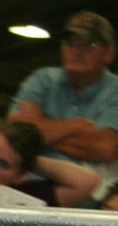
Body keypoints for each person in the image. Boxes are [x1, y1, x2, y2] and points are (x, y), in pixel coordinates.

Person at [7, 11, 118, 182]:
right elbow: (15, 133)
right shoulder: (42, 79)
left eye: (89, 45)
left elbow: (105, 148)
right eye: (70, 43)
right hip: (29, 187)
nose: (76, 51)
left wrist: (39, 126)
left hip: (88, 200)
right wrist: (78, 126)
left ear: (109, 53)